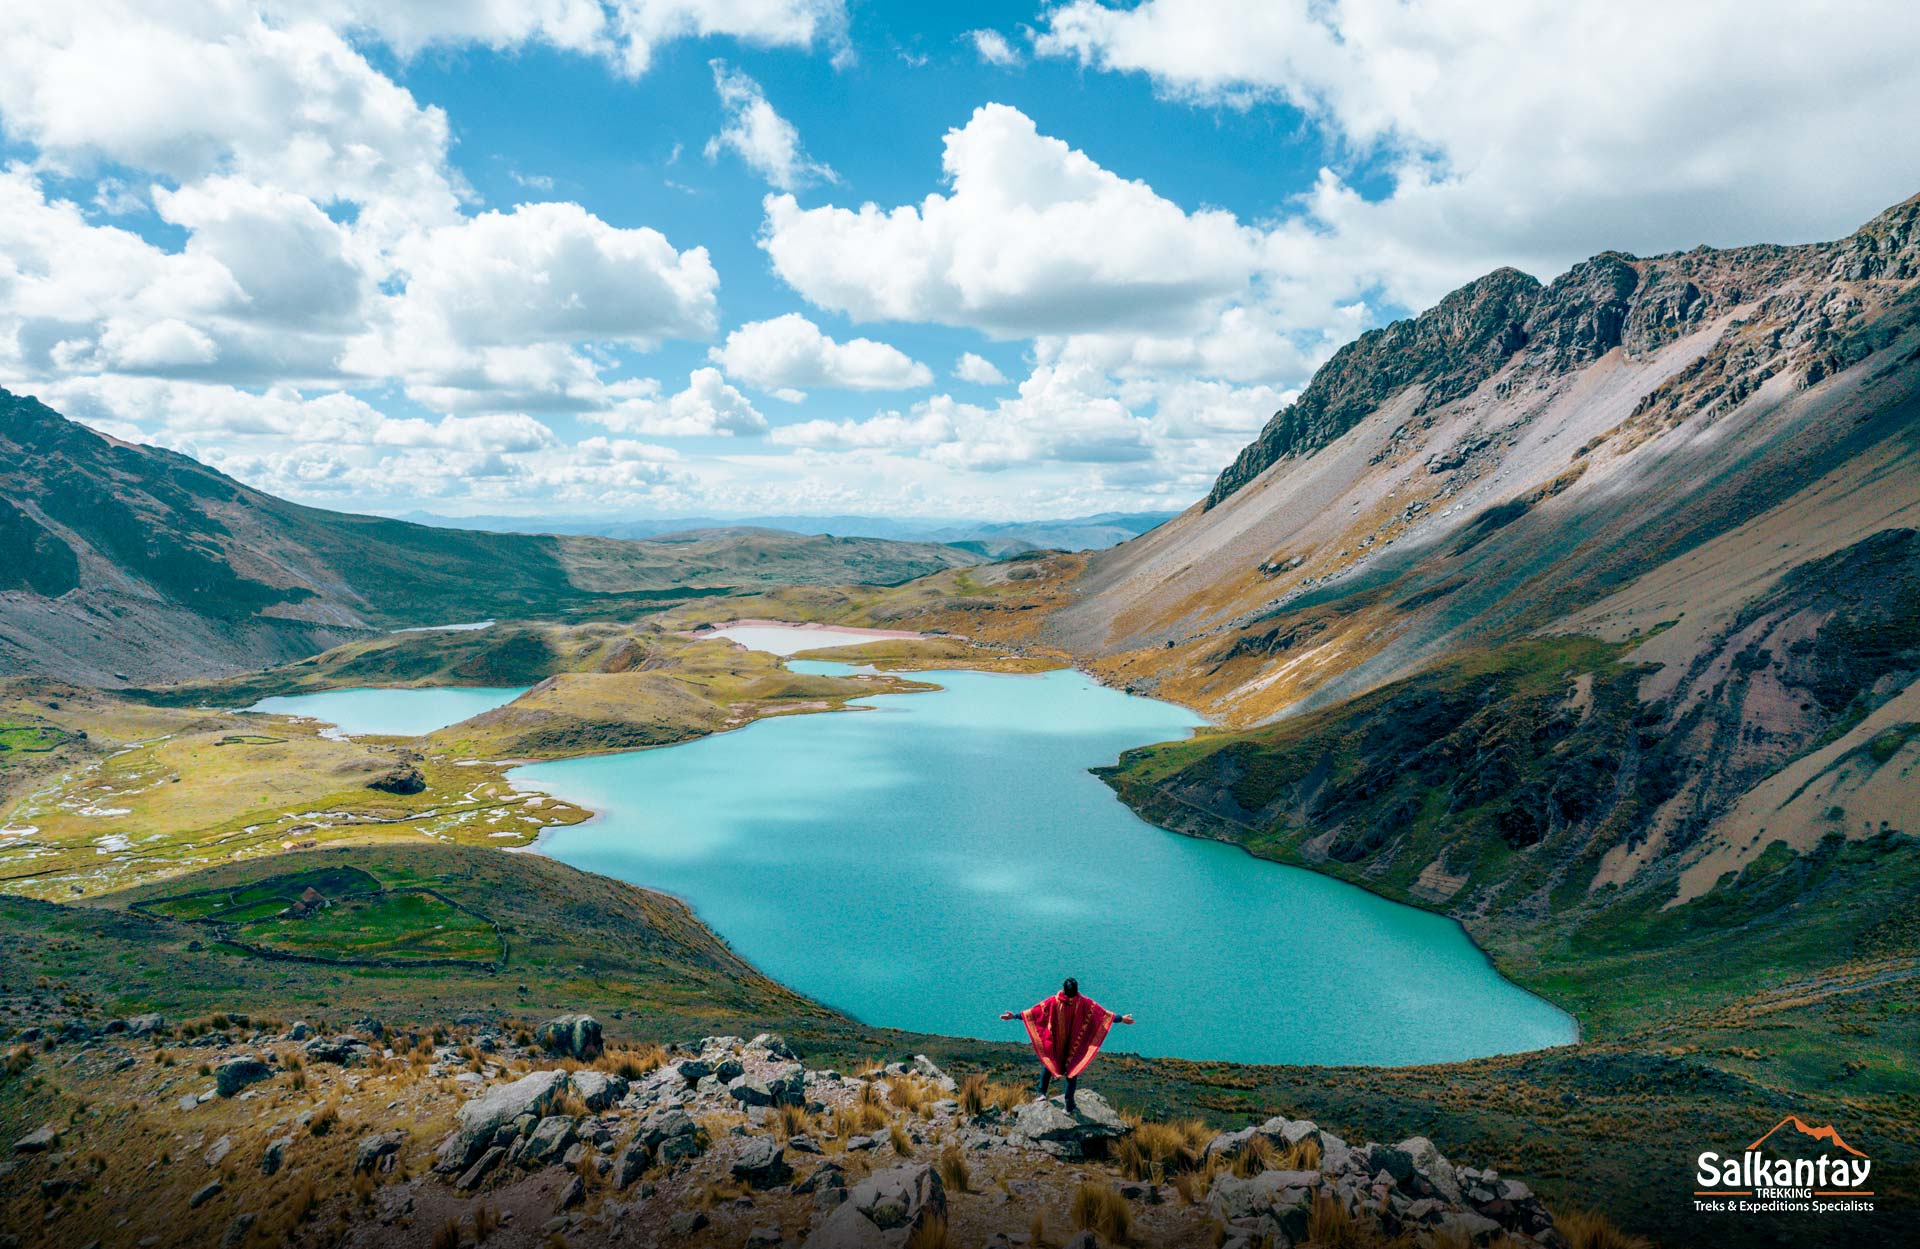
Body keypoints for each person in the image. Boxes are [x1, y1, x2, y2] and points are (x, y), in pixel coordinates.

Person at [1000, 977, 1134, 1113]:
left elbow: (1034, 1013)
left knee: (1055, 1064)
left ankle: (1044, 1094)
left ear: (1064, 989)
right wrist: (1121, 1019)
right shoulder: (1082, 1003)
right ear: (1076, 991)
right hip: (1070, 1045)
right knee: (1069, 1070)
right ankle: (1066, 1104)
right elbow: (1103, 1015)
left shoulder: (1058, 1002)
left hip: (1063, 1043)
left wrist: (1014, 1016)